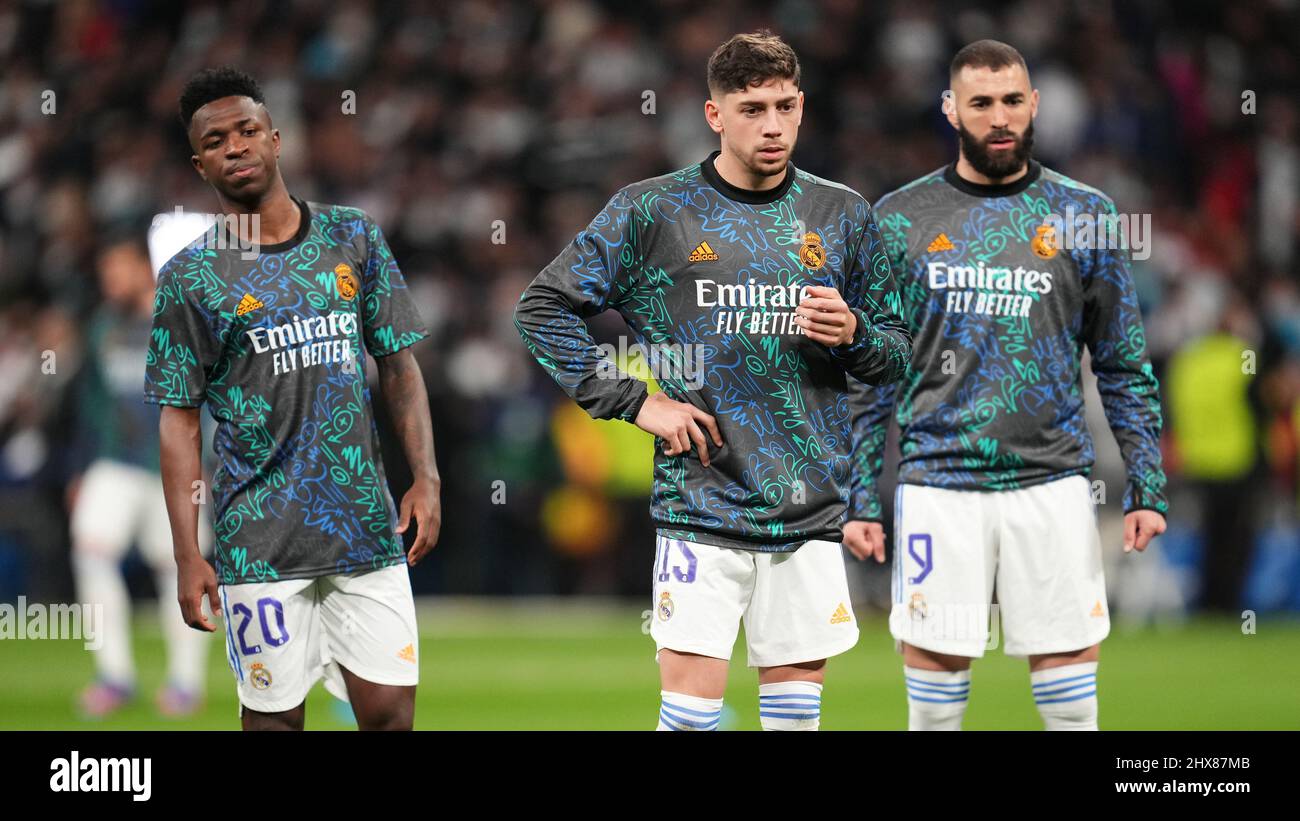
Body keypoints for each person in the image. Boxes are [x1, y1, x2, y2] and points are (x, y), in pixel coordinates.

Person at [515, 31, 910, 731]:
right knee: (691, 721)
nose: (773, 125)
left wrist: (854, 336)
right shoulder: (653, 211)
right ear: (714, 115)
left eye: (786, 106)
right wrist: (636, 402)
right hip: (701, 503)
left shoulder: (842, 215)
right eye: (752, 108)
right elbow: (542, 308)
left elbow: (900, 356)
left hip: (810, 508)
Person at [846, 40, 1168, 730]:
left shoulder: (1086, 215)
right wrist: (859, 500)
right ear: (950, 109)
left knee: (1073, 712)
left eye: (1012, 101)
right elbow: (872, 373)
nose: (999, 117)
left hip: (1052, 485)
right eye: (982, 102)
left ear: (1035, 105)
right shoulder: (898, 219)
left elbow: (1122, 363)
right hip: (937, 488)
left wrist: (1146, 481)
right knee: (933, 715)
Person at [144, 67, 440, 730]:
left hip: (363, 522)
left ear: (276, 140)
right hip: (258, 536)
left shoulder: (352, 236)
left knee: (391, 715)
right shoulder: (190, 277)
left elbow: (398, 364)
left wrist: (425, 475)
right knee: (274, 720)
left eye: (247, 130)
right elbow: (178, 421)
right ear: (200, 165)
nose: (235, 146)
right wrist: (188, 554)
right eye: (216, 140)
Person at [71, 237, 213, 718]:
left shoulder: (180, 318)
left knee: (181, 567)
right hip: (116, 461)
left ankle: (185, 682)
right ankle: (114, 675)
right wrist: (80, 466)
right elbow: (90, 402)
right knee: (91, 549)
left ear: (142, 268)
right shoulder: (103, 326)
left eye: (119, 269)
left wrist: (209, 466)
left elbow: (211, 394)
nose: (111, 281)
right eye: (105, 271)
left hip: (176, 468)